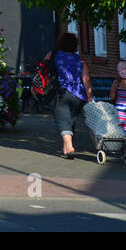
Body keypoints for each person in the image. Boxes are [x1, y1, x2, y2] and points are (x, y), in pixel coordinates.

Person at [49, 31, 93, 159]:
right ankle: (65, 149)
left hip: (59, 92)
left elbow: (43, 69)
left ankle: (69, 147)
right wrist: (89, 96)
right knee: (70, 120)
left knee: (63, 120)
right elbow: (86, 79)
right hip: (78, 95)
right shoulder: (80, 60)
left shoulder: (53, 55)